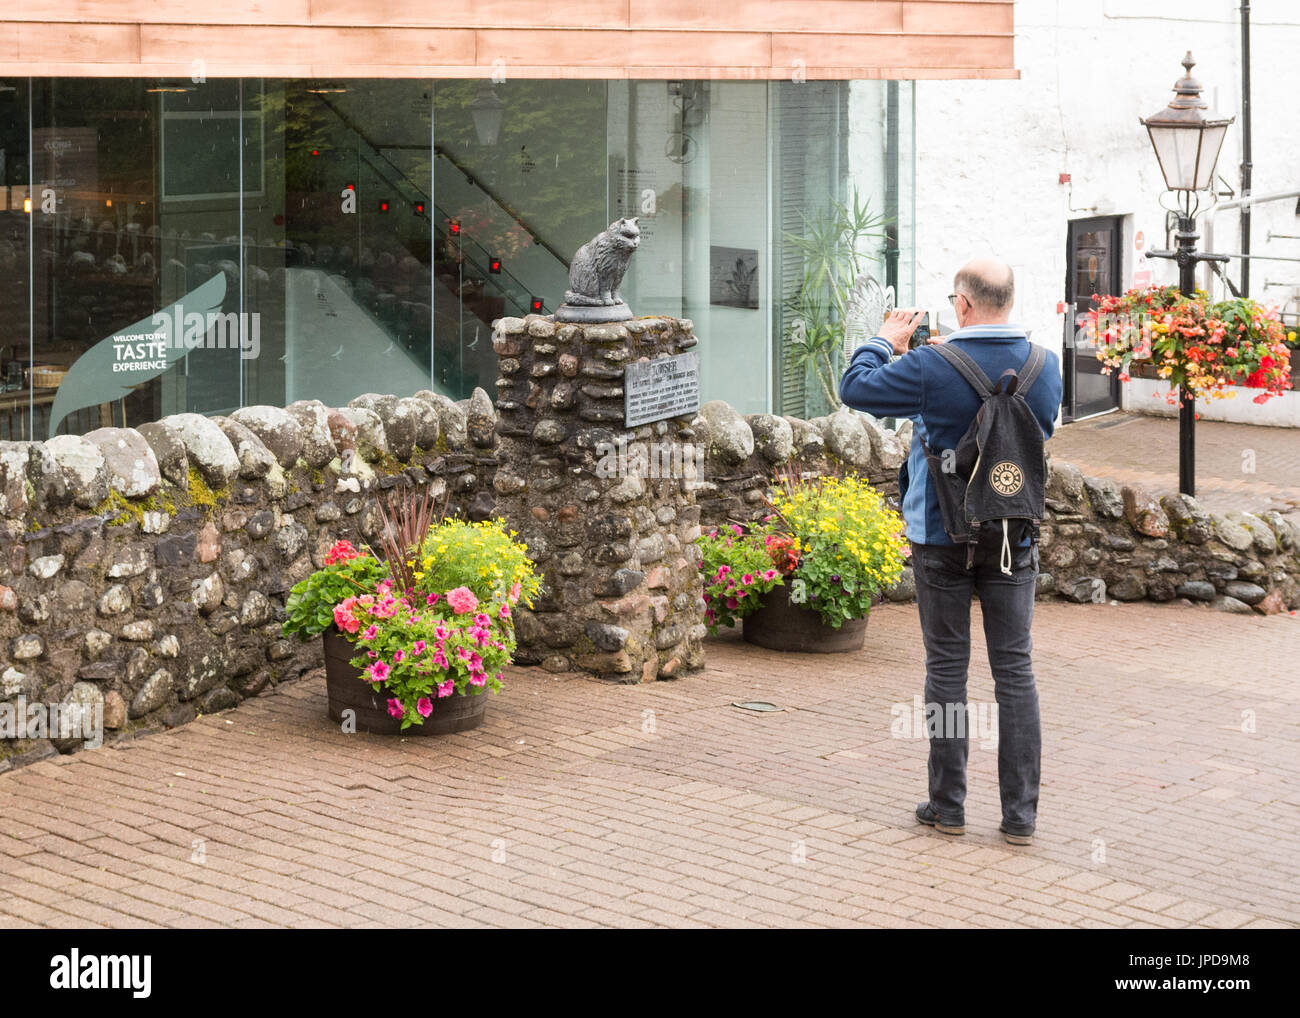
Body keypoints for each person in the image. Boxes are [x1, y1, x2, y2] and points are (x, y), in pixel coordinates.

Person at [839, 258, 1062, 846]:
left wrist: (885, 341)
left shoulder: (930, 367)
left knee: (947, 671)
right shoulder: (1048, 367)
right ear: (1009, 300)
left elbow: (855, 388)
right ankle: (1020, 817)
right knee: (1015, 671)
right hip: (1014, 537)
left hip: (941, 537)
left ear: (962, 305)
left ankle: (949, 805)